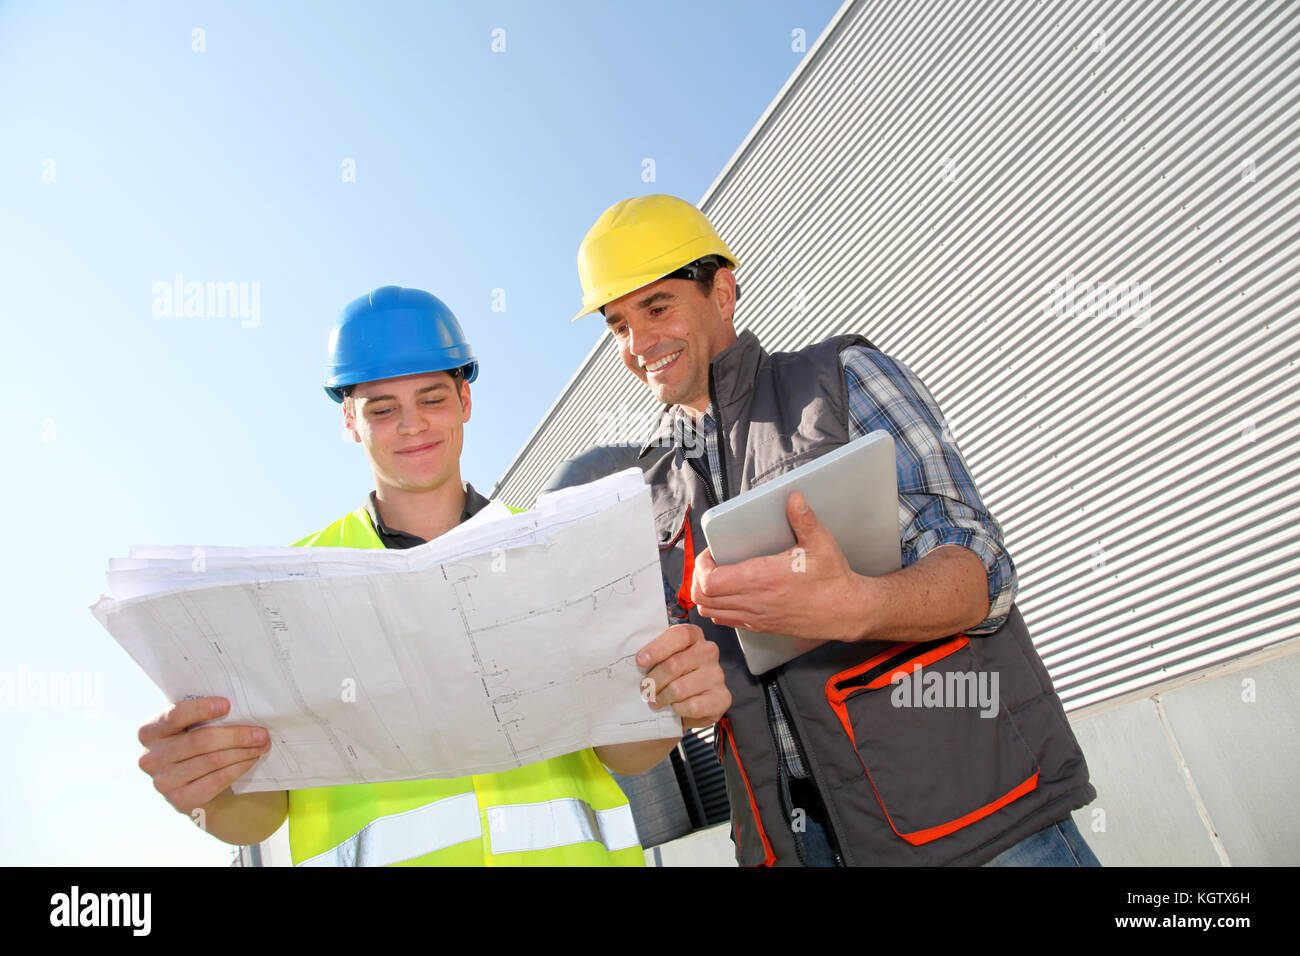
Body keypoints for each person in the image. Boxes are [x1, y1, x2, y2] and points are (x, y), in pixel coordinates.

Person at [571, 195, 1098, 866]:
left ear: (723, 292)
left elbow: (981, 565)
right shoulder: (652, 495)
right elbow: (686, 684)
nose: (637, 344)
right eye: (617, 324)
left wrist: (861, 604)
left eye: (657, 307)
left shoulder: (839, 382)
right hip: (799, 847)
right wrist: (672, 694)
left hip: (973, 827)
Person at [136, 284, 730, 866]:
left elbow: (625, 752)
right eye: (383, 409)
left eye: (432, 399)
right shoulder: (286, 592)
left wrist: (674, 700)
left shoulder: (557, 549)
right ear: (350, 421)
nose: (413, 424)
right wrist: (205, 791)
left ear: (464, 402)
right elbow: (259, 816)